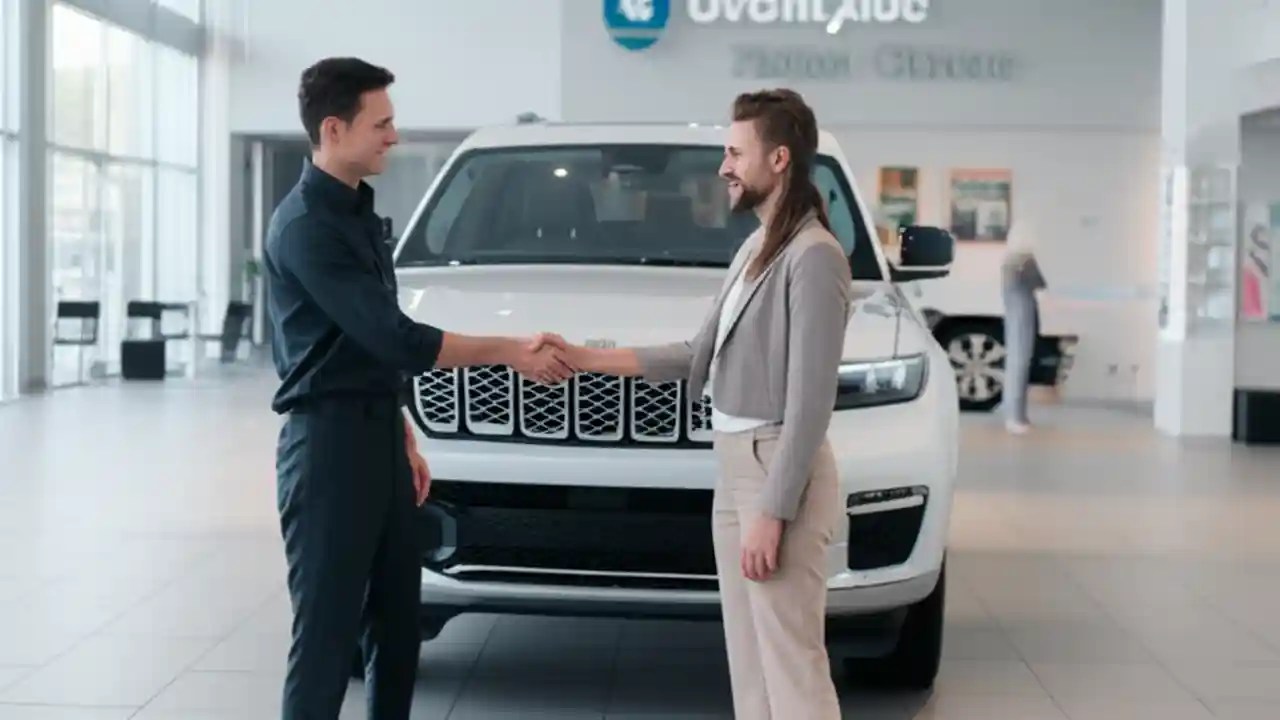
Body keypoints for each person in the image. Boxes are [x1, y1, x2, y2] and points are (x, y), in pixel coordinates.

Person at [264, 57, 572, 720]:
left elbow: (364, 348)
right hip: (327, 452)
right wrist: (507, 352)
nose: (394, 136)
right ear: (334, 129)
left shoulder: (357, 214)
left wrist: (402, 433)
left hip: (378, 437)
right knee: (326, 641)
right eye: (381, 123)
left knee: (398, 628)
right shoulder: (306, 228)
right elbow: (394, 337)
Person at [538, 88, 849, 719]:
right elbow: (697, 353)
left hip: (775, 468)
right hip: (735, 465)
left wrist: (774, 510)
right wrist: (586, 358)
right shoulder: (757, 249)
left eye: (735, 153)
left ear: (779, 159)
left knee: (792, 665)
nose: (724, 167)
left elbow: (810, 401)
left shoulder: (814, 256)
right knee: (752, 667)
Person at [1000, 221, 1047, 434]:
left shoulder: (1009, 262)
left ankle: (1015, 415)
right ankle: (1015, 417)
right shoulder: (1023, 261)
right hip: (1022, 315)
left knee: (1015, 363)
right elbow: (1040, 282)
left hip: (1015, 314)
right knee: (1019, 363)